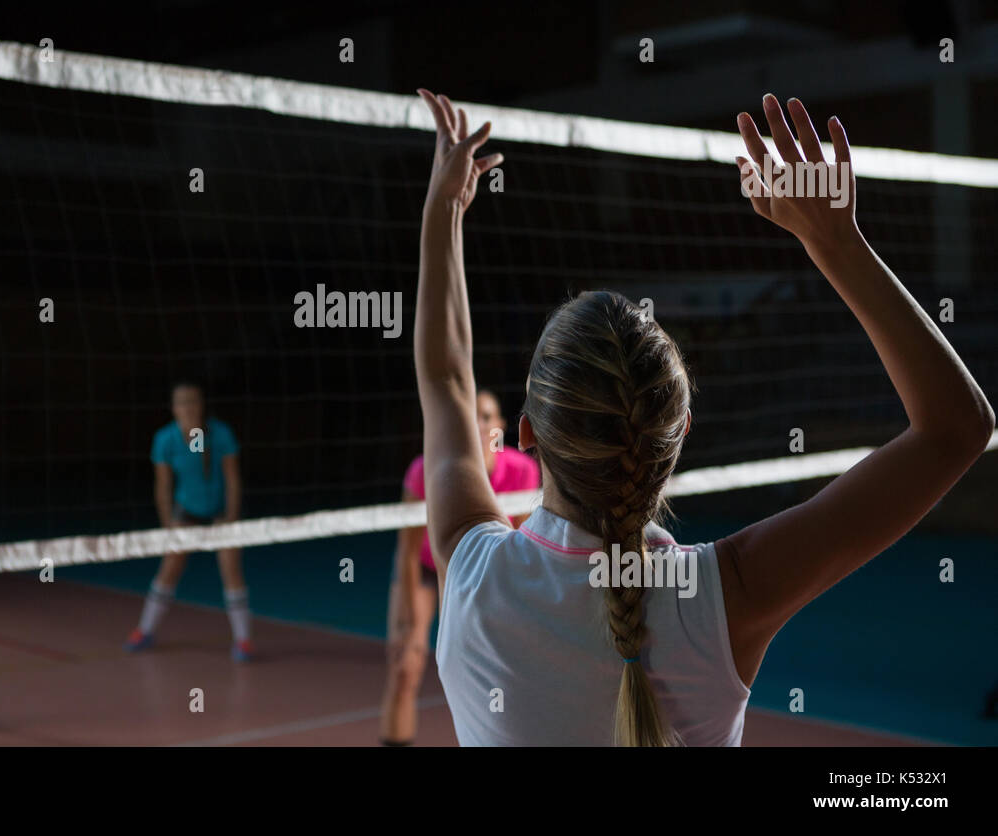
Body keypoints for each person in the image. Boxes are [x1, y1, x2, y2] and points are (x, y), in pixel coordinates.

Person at [412, 89, 994, 745]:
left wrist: (444, 209)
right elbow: (959, 428)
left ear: (525, 436)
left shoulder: (471, 574)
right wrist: (835, 241)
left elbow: (445, 378)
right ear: (678, 438)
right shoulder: (730, 592)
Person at [380, 389, 538, 745]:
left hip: (480, 570)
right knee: (406, 666)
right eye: (471, 417)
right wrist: (411, 626)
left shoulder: (523, 471)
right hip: (424, 567)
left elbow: (520, 544)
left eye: (487, 417)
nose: (480, 425)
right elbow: (405, 552)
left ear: (499, 425)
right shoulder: (426, 470)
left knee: (496, 676)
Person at [124, 382, 251, 661]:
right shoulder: (165, 439)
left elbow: (232, 478)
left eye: (193, 401)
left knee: (231, 568)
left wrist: (231, 518)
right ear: (173, 408)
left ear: (202, 404)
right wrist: (168, 523)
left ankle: (243, 641)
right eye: (182, 402)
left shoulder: (220, 434)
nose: (188, 407)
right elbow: (163, 485)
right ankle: (145, 630)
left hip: (219, 511)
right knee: (170, 566)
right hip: (187, 511)